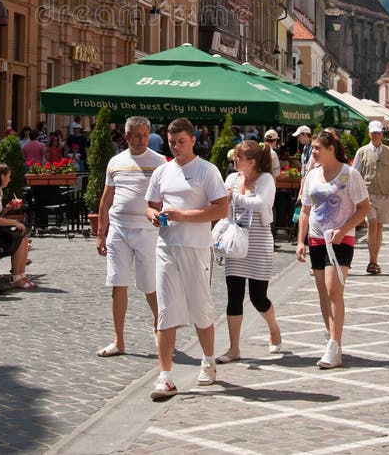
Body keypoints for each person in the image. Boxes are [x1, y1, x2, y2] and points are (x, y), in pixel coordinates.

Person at [145, 117, 228, 401]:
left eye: (181, 142)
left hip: (196, 246)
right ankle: (165, 376)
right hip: (166, 245)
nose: (176, 147)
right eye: (172, 142)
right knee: (166, 310)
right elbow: (150, 205)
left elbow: (220, 209)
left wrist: (184, 216)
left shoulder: (207, 170)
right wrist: (154, 216)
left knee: (200, 305)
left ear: (193, 140)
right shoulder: (162, 171)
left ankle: (208, 360)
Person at [296, 131, 369, 368]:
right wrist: (301, 241)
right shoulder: (312, 176)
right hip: (317, 238)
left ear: (331, 149)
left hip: (341, 238)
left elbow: (363, 208)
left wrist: (345, 229)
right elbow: (306, 210)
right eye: (313, 148)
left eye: (317, 148)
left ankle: (335, 346)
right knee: (322, 291)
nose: (313, 152)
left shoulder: (349, 174)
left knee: (333, 289)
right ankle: (331, 337)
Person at [95, 117, 166, 357]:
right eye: (137, 135)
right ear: (126, 137)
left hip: (148, 231)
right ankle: (118, 340)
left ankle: (160, 328)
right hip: (119, 230)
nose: (142, 139)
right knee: (117, 283)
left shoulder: (159, 162)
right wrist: (101, 233)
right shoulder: (116, 162)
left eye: (145, 134)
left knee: (150, 285)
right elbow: (106, 200)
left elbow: (167, 196)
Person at [216, 140, 281, 363]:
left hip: (258, 242)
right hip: (236, 241)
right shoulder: (232, 179)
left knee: (258, 297)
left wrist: (235, 197)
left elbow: (262, 204)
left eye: (239, 158)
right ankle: (234, 348)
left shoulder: (266, 179)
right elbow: (224, 206)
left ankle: (273, 327)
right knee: (234, 296)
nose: (234, 160)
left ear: (251, 162)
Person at [352, 121, 389, 276]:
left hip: (385, 194)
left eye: (378, 133)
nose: (375, 135)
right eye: (373, 133)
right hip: (368, 194)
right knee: (372, 225)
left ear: (382, 134)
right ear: (369, 134)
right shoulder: (362, 151)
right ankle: (372, 261)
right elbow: (354, 174)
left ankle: (375, 260)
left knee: (379, 227)